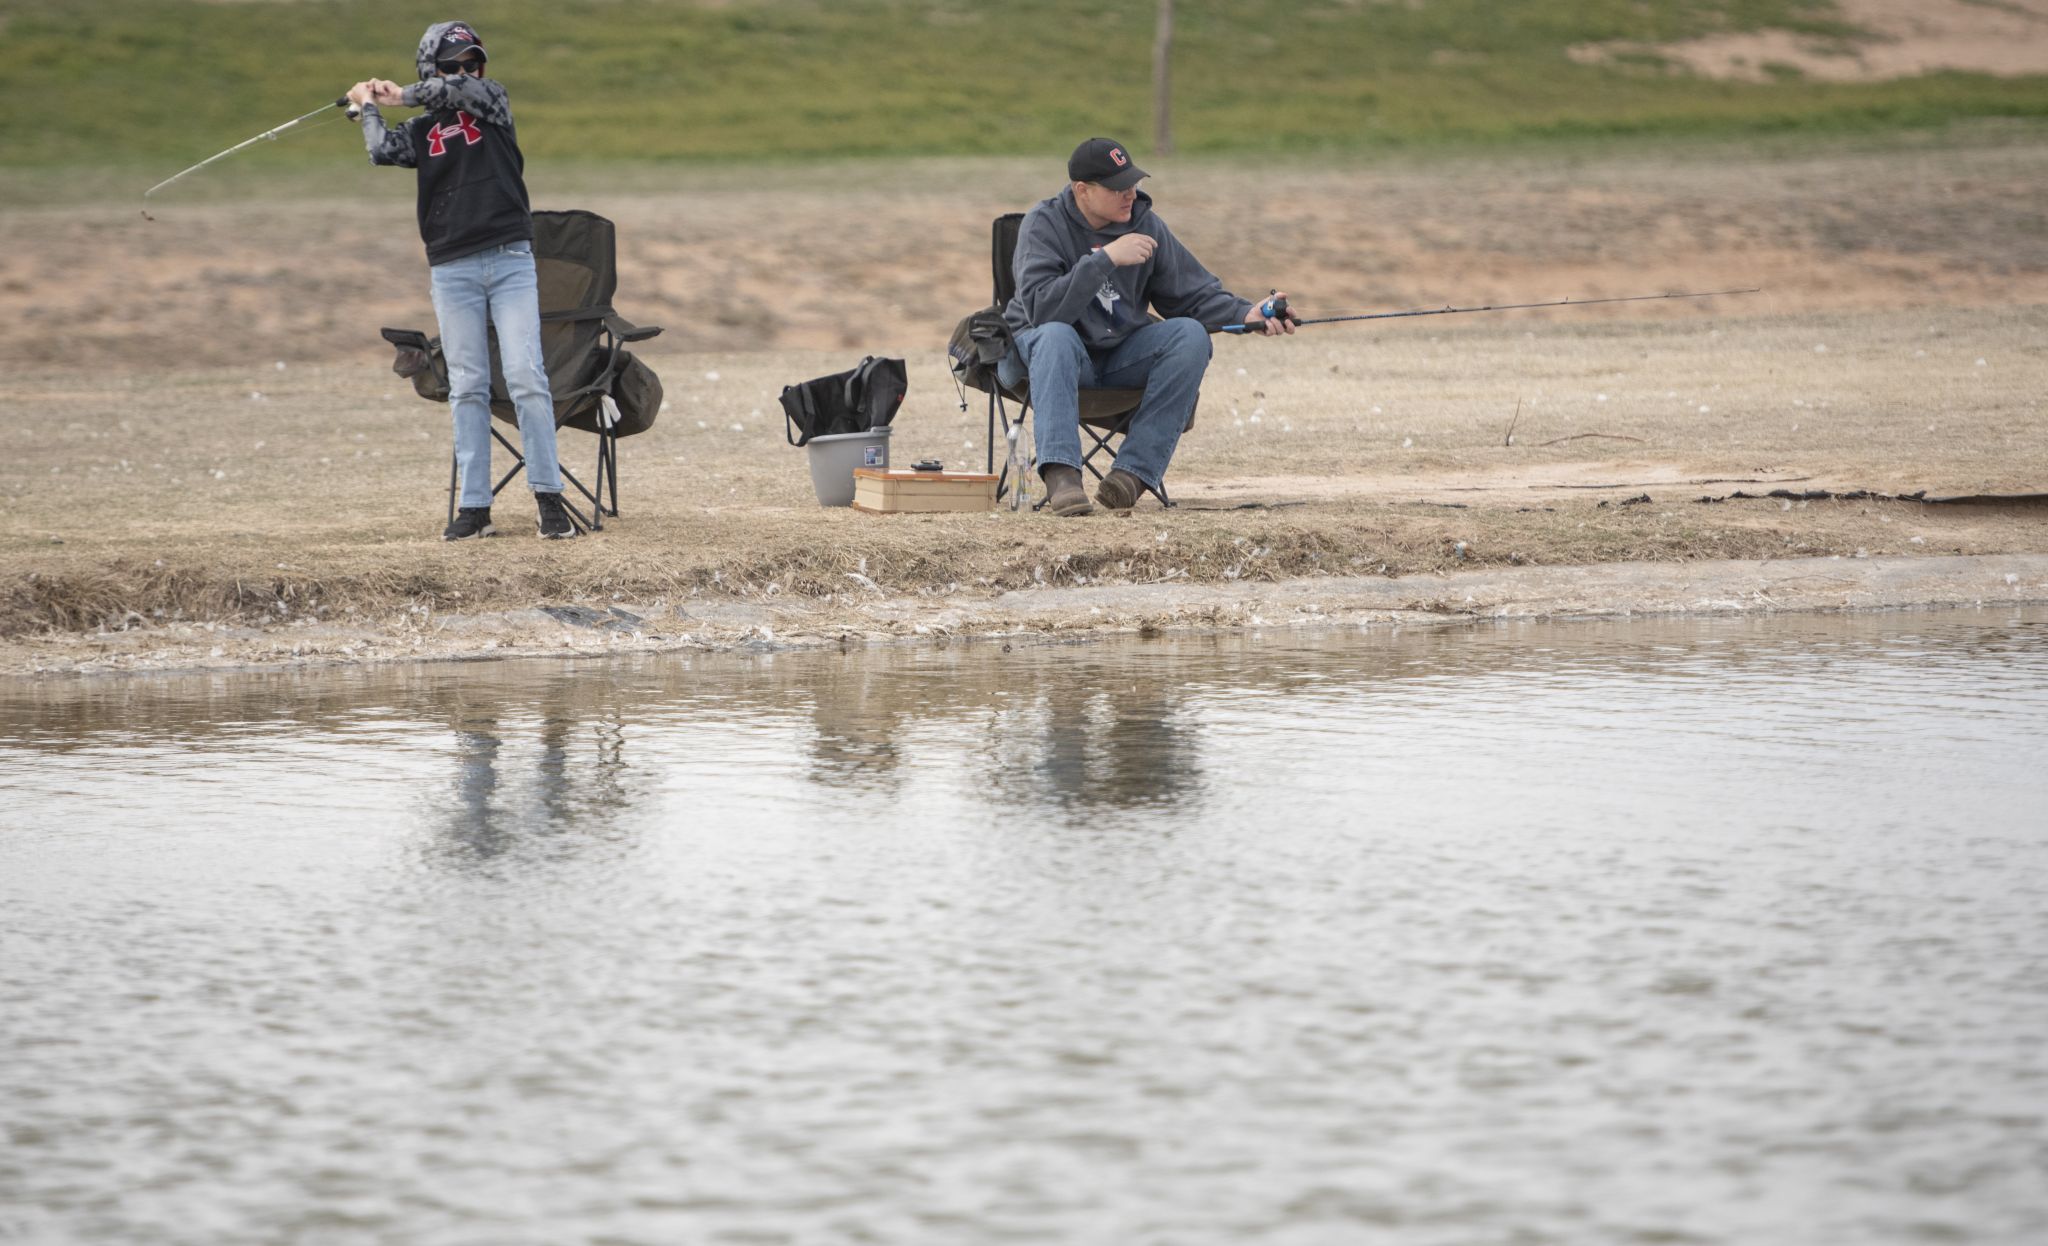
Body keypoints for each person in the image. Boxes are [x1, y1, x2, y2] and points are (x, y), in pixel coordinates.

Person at [347, 21, 577, 540]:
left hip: (511, 260)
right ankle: (475, 508)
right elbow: (381, 150)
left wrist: (400, 93)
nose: (464, 72)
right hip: (452, 269)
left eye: (472, 62)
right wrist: (367, 105)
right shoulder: (423, 132)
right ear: (433, 68)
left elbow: (463, 92)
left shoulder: (492, 102)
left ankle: (549, 498)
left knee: (525, 376)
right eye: (451, 65)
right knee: (468, 385)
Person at [999, 137, 1294, 516]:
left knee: (1189, 335)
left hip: (1121, 354)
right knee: (1056, 335)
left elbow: (1192, 294)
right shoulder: (1044, 225)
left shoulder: (1145, 223)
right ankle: (1062, 476)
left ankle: (1132, 476)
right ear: (1082, 190)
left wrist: (1247, 314)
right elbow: (1042, 310)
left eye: (1133, 183)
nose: (1130, 194)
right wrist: (1104, 260)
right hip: (1056, 356)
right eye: (1118, 187)